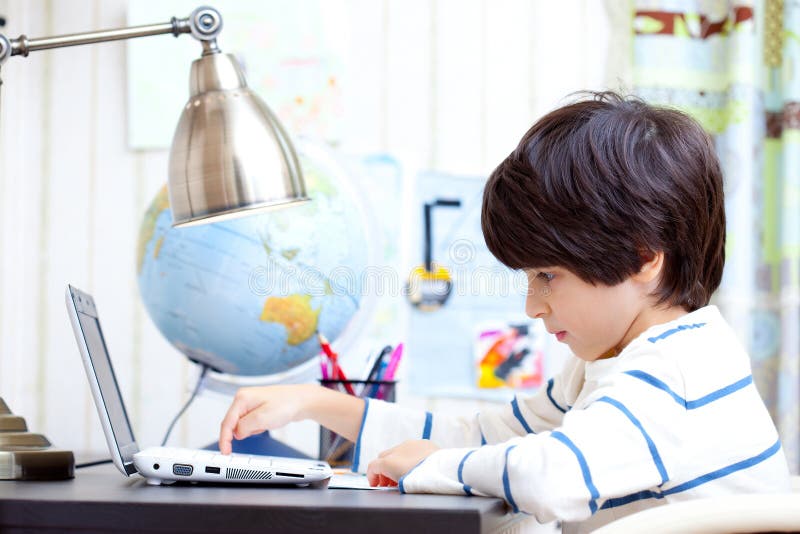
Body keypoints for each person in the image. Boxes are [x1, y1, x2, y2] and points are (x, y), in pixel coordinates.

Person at [218, 92, 791, 533]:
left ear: (643, 260)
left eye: (547, 276)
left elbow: (553, 474)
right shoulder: (610, 364)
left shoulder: (678, 373)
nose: (532, 306)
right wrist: (314, 404)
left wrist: (431, 469)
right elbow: (482, 435)